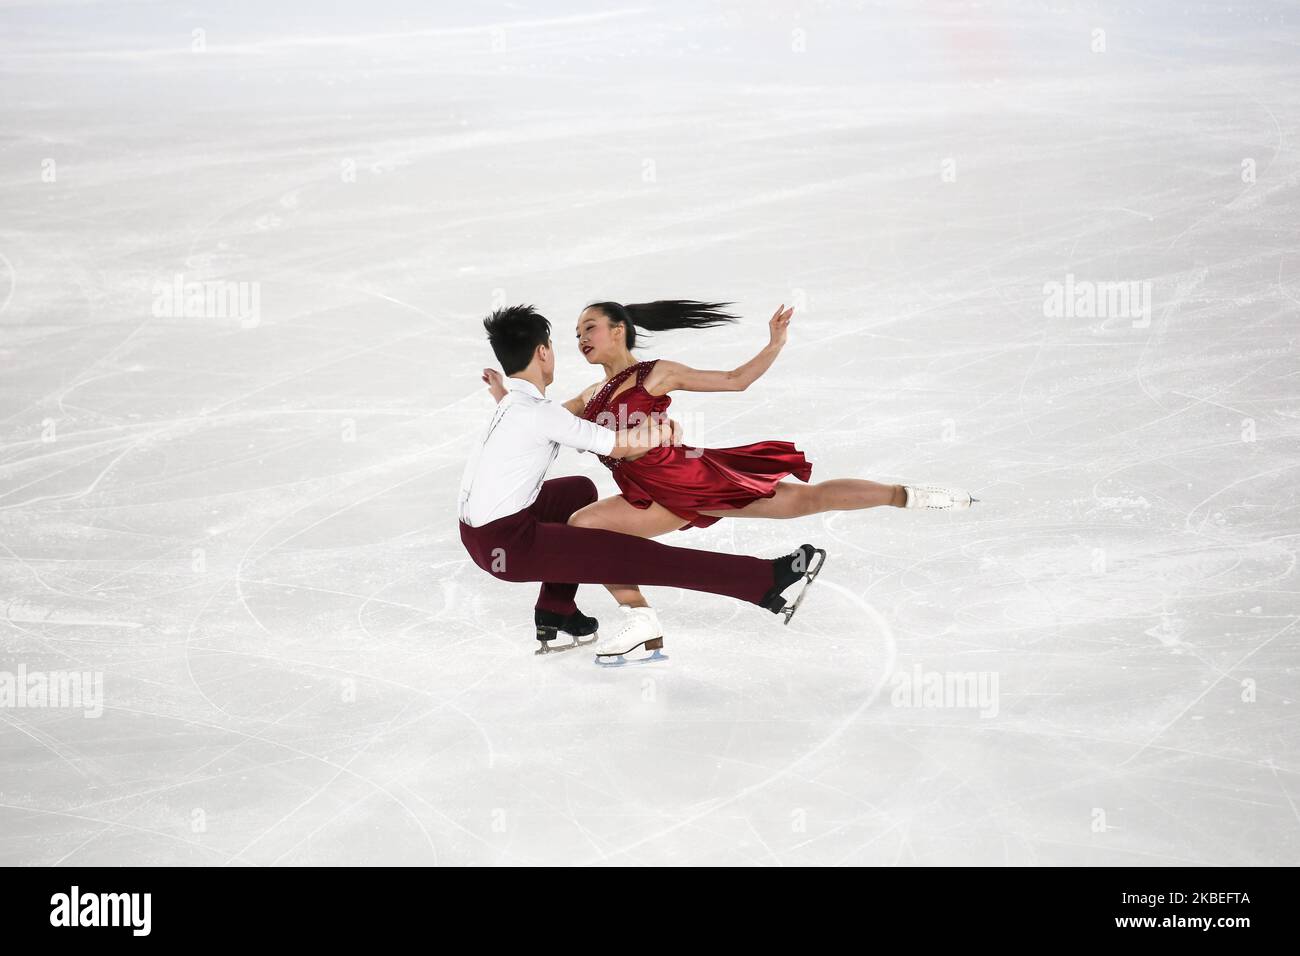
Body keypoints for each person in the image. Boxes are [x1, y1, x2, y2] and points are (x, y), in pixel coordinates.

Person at [481, 299, 972, 611]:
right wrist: (508, 396)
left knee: (804, 500)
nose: (581, 338)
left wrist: (774, 343)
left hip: (688, 478)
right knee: (586, 527)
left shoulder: (658, 372)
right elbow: (543, 423)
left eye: (590, 327)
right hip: (650, 491)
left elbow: (736, 381)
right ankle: (636, 624)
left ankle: (907, 494)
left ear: (620, 330)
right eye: (576, 334)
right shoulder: (592, 393)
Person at [459, 304, 827, 663]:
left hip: (479, 533)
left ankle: (556, 609)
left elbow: (549, 424)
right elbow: (619, 445)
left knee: (578, 491)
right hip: (508, 548)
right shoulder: (542, 414)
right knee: (631, 556)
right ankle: (763, 581)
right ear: (542, 352)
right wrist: (663, 430)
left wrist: (499, 392)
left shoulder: (513, 406)